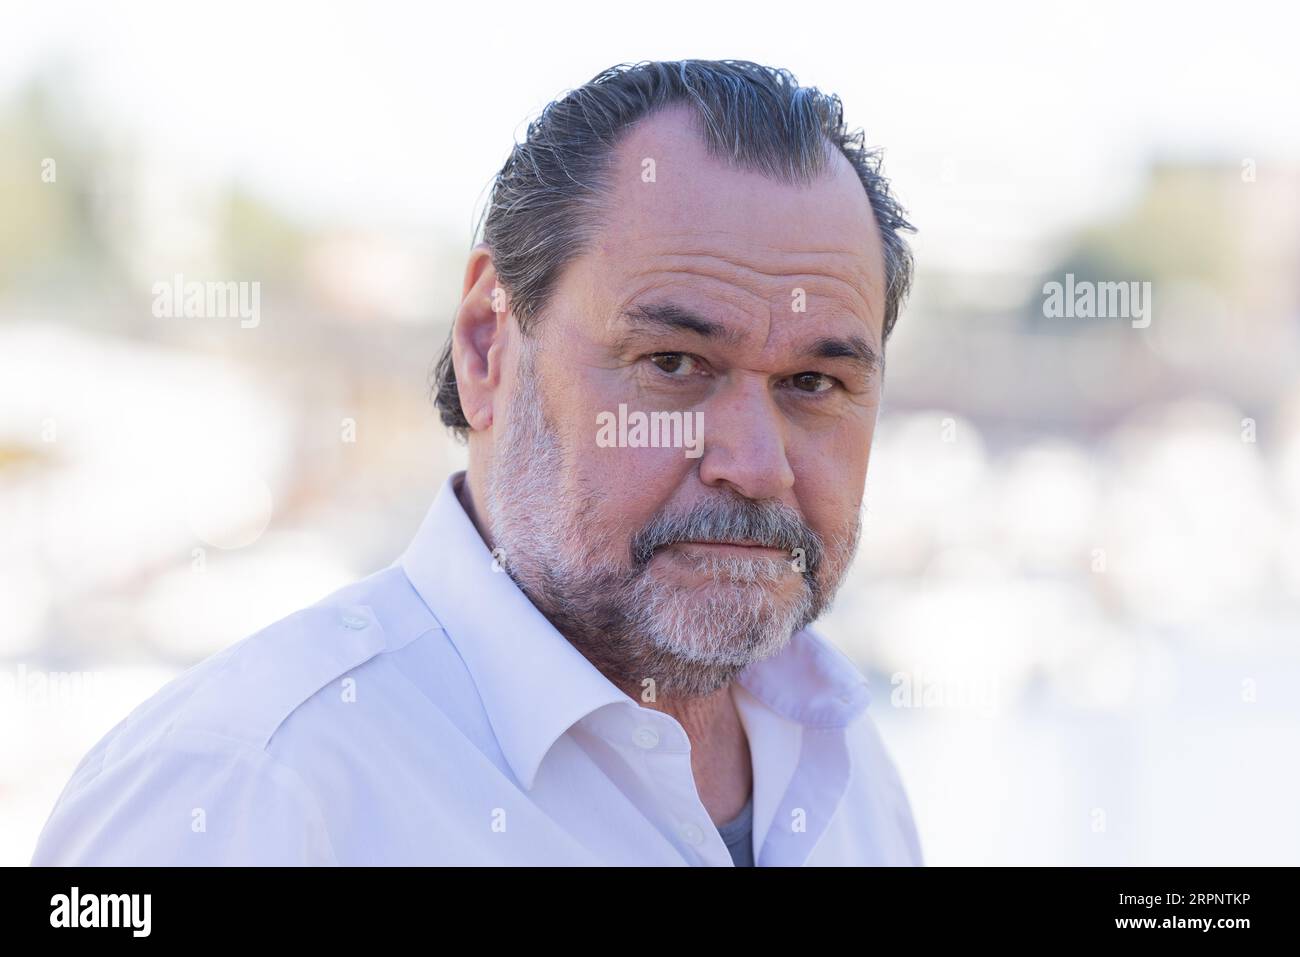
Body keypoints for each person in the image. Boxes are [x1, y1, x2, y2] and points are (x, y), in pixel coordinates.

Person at [32, 59, 922, 866]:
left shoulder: (844, 764)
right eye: (674, 364)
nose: (756, 464)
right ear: (487, 346)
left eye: (814, 379)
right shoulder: (246, 792)